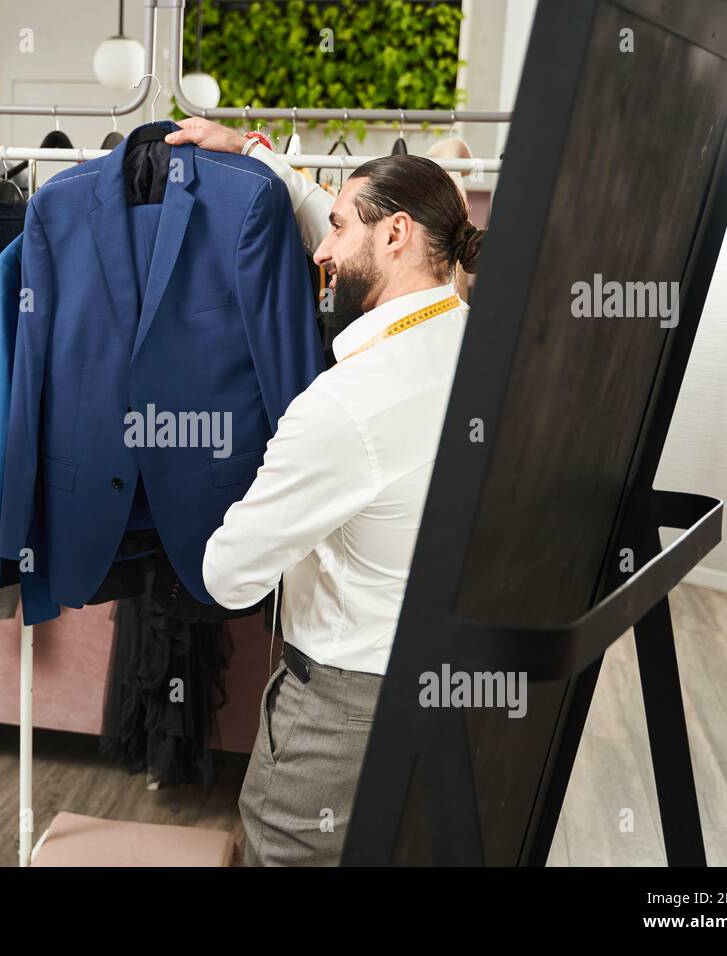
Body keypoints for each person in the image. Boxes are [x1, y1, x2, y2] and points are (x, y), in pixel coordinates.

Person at [168, 118, 485, 866]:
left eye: (338, 229)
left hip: (342, 723)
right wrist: (252, 155)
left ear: (398, 233)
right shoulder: (483, 349)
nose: (321, 249)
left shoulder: (345, 404)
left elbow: (228, 574)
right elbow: (325, 210)